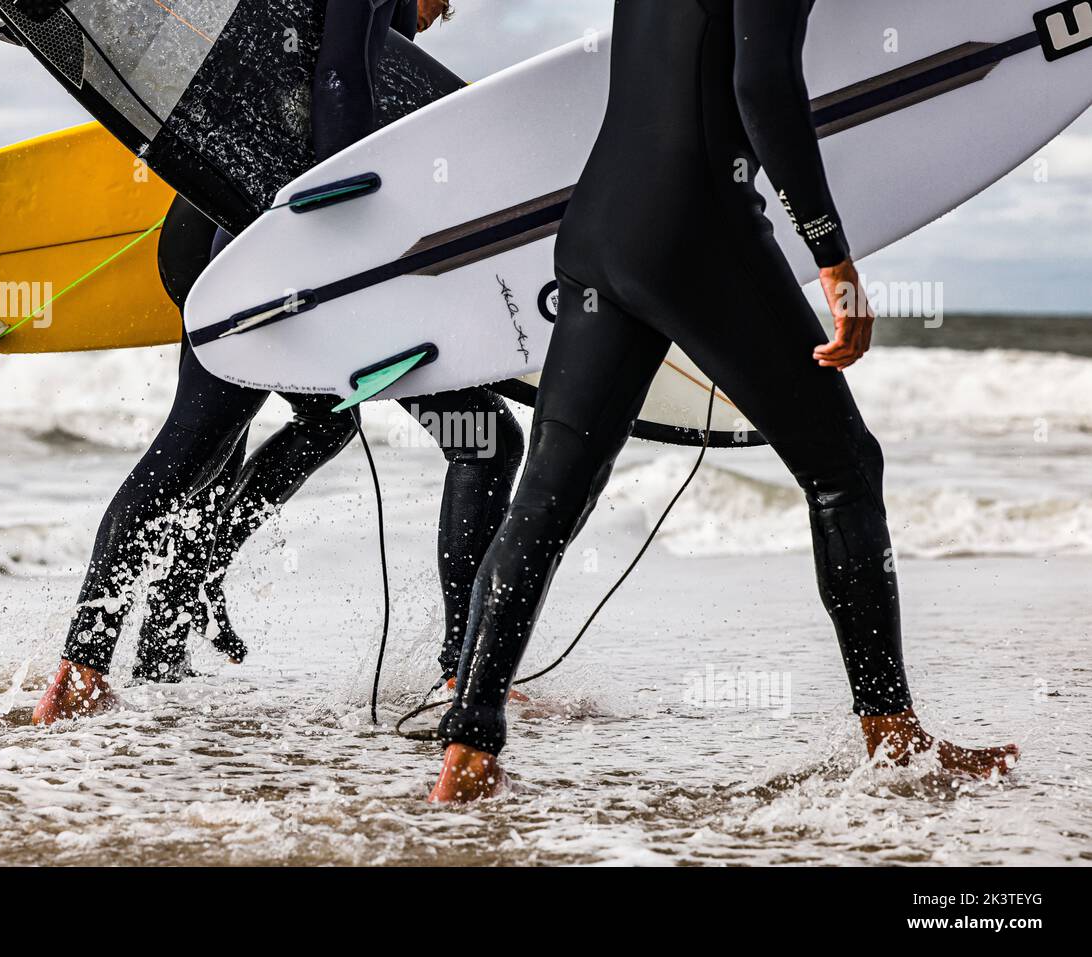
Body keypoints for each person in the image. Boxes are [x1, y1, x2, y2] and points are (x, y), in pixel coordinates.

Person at [429, 0, 1020, 802]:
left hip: (599, 226)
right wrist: (831, 254)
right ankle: (894, 739)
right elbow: (762, 79)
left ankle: (468, 749)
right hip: (697, 226)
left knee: (546, 499)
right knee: (843, 466)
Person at [33, 0, 523, 724]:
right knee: (486, 440)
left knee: (233, 438)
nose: (447, 9)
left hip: (232, 232)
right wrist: (363, 237)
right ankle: (462, 678)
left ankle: (104, 660)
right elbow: (339, 81)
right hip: (302, 245)